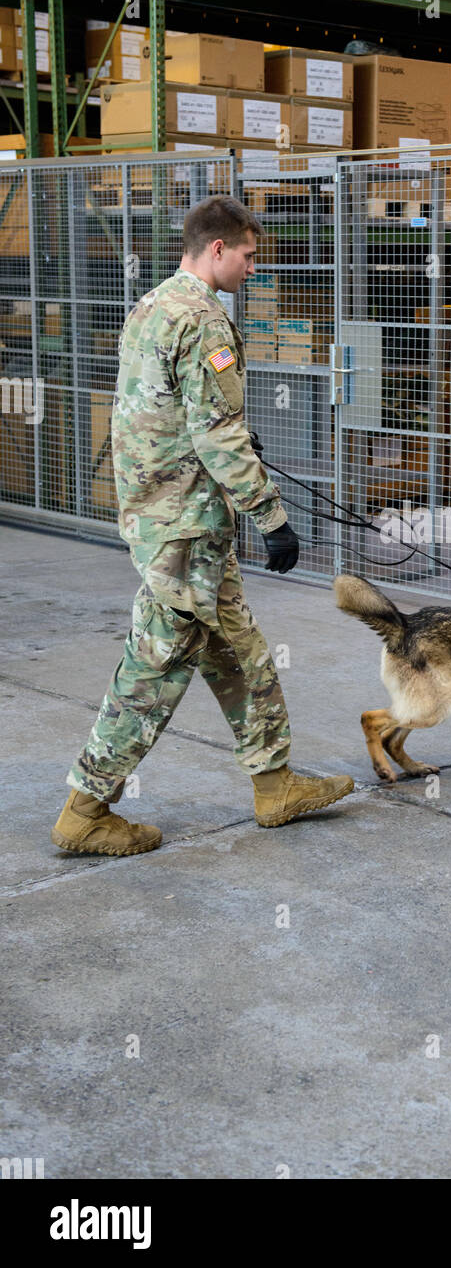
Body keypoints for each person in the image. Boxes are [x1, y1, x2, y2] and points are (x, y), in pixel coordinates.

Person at [51, 195, 353, 857]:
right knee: (155, 669)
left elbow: (163, 416)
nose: (253, 269)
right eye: (248, 256)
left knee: (242, 655)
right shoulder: (203, 321)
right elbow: (215, 432)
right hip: (183, 529)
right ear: (217, 249)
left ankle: (274, 784)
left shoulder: (152, 305)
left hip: (167, 516)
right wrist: (272, 517)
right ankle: (87, 807)